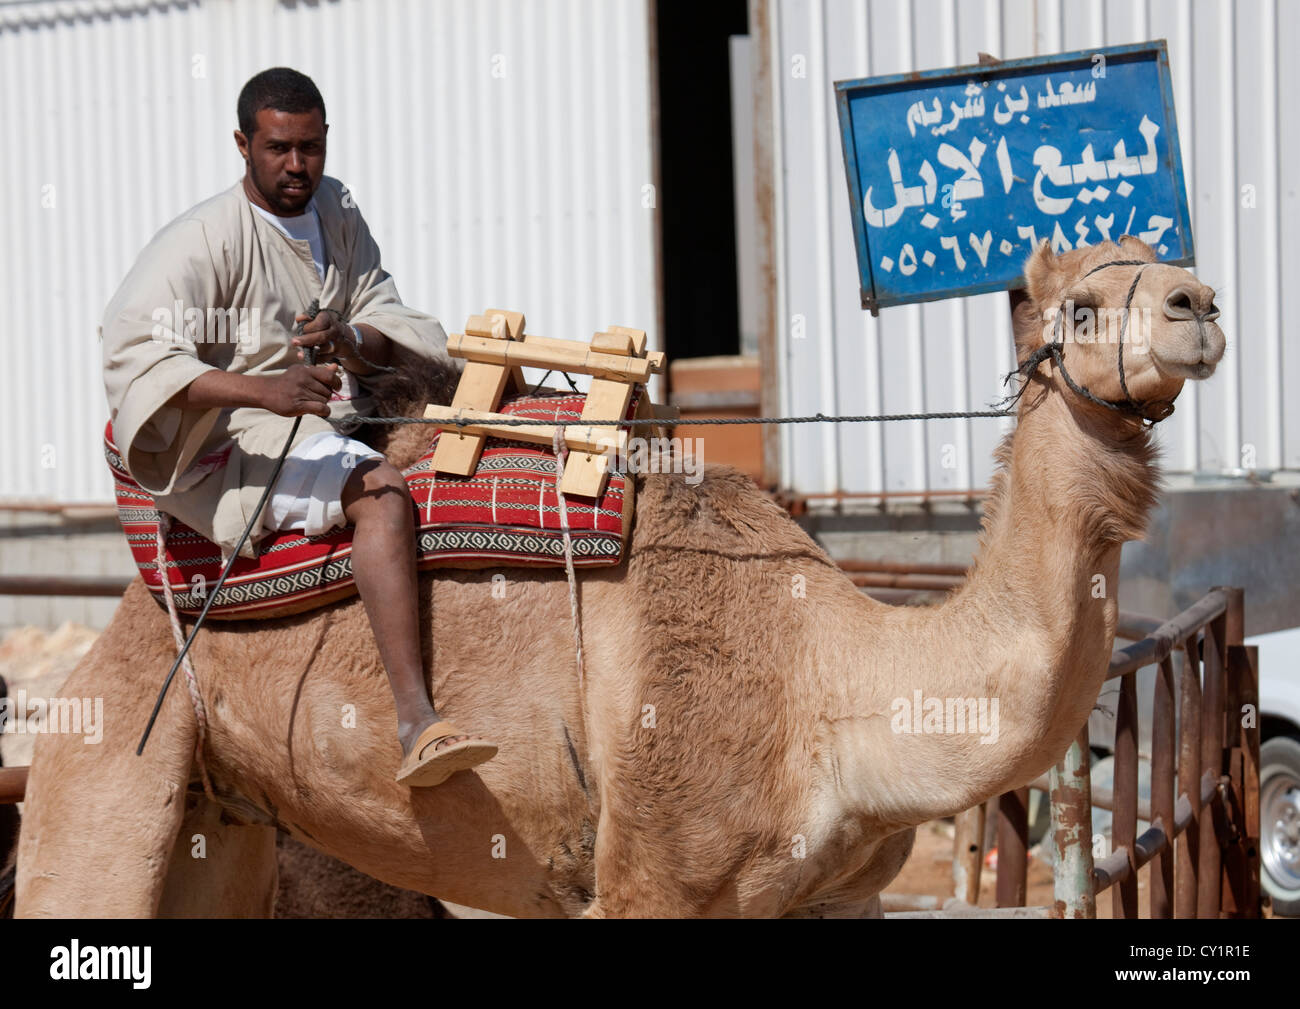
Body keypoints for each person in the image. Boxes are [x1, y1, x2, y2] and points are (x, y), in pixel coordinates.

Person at [100, 67, 496, 787]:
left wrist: (350, 340)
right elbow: (136, 352)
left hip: (331, 412)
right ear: (242, 143)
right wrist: (266, 390)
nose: (297, 165)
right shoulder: (203, 239)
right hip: (236, 437)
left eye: (311, 147)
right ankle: (416, 720)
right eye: (280, 147)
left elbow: (389, 313)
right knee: (381, 490)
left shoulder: (335, 208)